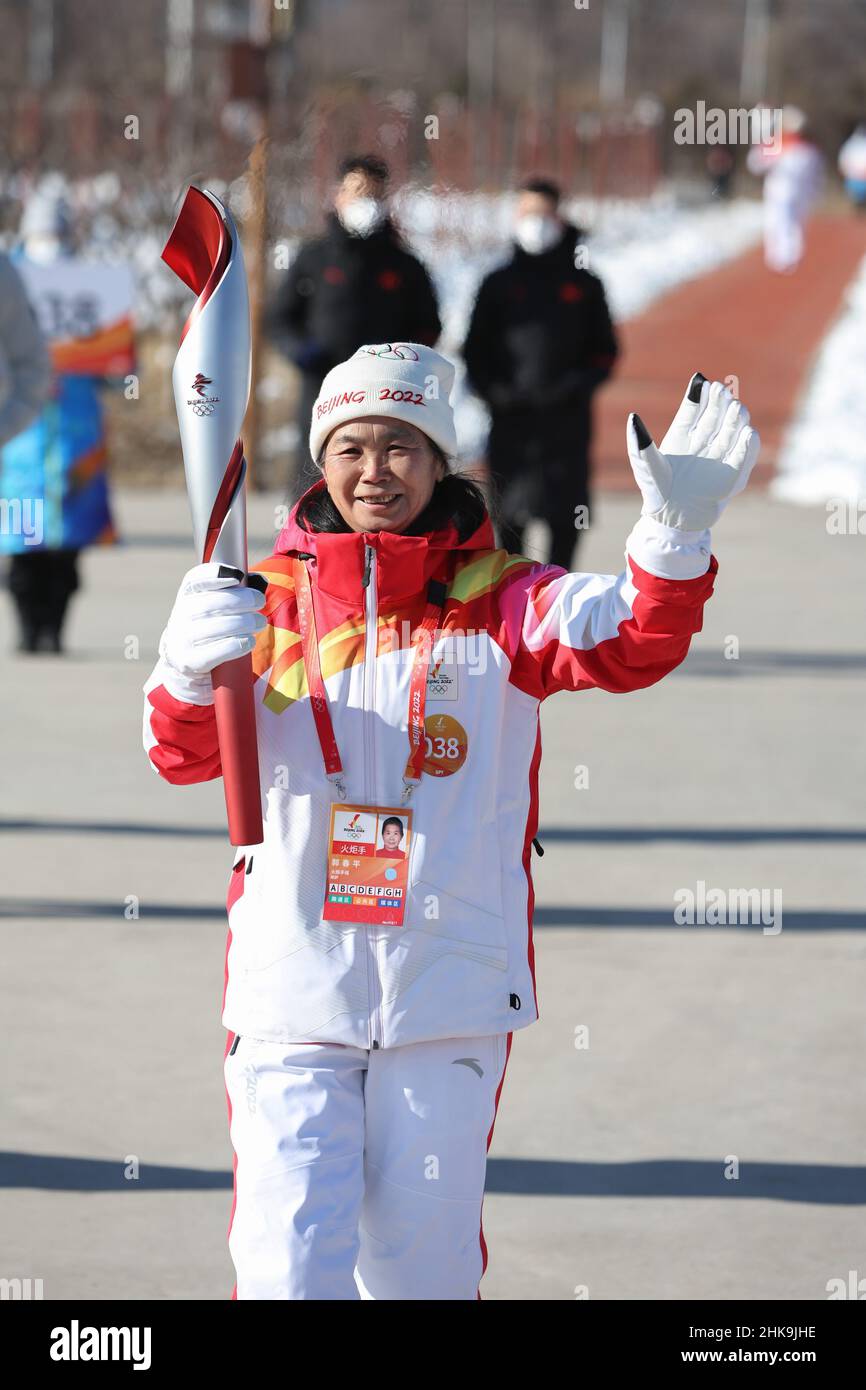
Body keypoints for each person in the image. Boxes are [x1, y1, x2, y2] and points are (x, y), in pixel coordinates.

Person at [142, 341, 759, 1300]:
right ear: (321, 462)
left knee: (418, 1273)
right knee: (284, 1265)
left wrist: (673, 536)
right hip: (292, 987)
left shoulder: (510, 600)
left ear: (441, 461)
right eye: (351, 448)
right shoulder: (257, 603)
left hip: (449, 992)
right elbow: (180, 756)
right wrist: (186, 669)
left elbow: (635, 639)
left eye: (401, 446)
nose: (374, 471)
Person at [462, 176, 618, 569]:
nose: (537, 222)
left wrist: (574, 387)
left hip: (567, 421)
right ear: (516, 217)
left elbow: (605, 352)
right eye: (528, 213)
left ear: (560, 219)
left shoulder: (584, 284)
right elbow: (475, 349)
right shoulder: (496, 284)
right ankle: (514, 614)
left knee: (566, 520)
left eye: (545, 214)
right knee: (510, 523)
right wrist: (495, 392)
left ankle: (561, 608)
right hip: (511, 422)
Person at [268, 155, 442, 500]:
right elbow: (279, 318)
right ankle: (307, 546)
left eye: (374, 194)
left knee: (376, 475)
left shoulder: (404, 264)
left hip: (386, 397)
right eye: (357, 192)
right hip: (322, 389)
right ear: (338, 196)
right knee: (316, 476)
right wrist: (301, 351)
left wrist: (402, 363)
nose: (366, 202)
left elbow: (428, 327)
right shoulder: (314, 257)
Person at [0, 189, 118, 652]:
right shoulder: (10, 276)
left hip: (75, 440)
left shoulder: (92, 285)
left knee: (67, 549)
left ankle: (56, 629)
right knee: (24, 544)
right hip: (19, 444)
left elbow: (120, 366)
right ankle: (30, 630)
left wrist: (112, 366)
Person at [0, 237, 51, 647]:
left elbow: (33, 366)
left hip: (50, 450)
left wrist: (7, 424)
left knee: (38, 543)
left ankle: (43, 626)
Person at [747, 106, 824, 274]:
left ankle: (785, 258)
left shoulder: (786, 147)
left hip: (782, 192)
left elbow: (755, 163)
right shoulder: (807, 149)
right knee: (789, 223)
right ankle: (787, 257)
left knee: (783, 223)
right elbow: (755, 163)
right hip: (798, 193)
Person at [838, 123, 866, 212]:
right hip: (854, 178)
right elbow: (845, 160)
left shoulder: (850, 144)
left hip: (858, 177)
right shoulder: (851, 144)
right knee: (857, 201)